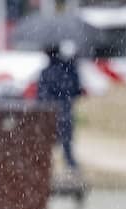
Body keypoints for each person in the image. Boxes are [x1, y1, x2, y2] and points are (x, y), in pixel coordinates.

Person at [37, 42, 85, 173]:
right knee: (67, 142)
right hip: (66, 110)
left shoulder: (46, 72)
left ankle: (44, 167)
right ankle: (71, 166)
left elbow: (41, 94)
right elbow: (77, 90)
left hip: (50, 111)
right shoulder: (69, 68)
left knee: (47, 143)